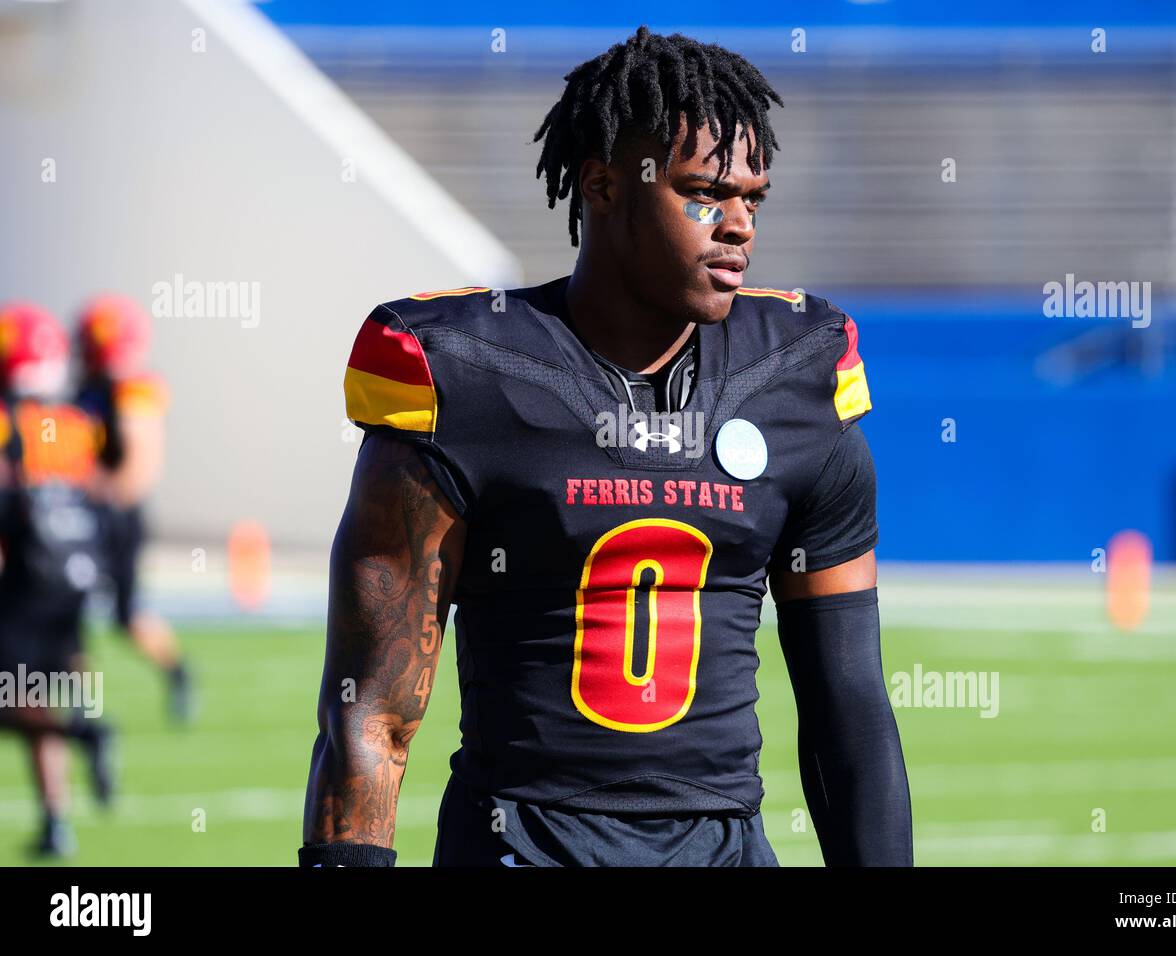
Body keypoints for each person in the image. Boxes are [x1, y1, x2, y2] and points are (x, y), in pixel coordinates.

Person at [301, 26, 912, 868]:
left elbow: (849, 707)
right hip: (522, 846)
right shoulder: (468, 374)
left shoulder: (795, 374)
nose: (739, 226)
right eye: (706, 195)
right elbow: (371, 713)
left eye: (753, 199)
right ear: (602, 186)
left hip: (724, 851)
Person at [0, 301, 116, 858]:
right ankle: (56, 821)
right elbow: (96, 490)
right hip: (73, 575)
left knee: (14, 703)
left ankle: (84, 732)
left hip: (24, 580)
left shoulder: (8, 420)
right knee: (46, 686)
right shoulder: (75, 421)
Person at [74, 293, 193, 724]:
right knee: (66, 610)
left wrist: (89, 492)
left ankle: (178, 671)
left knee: (125, 616)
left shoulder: (134, 388)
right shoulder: (87, 387)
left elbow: (139, 469)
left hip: (112, 518)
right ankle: (81, 711)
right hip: (86, 512)